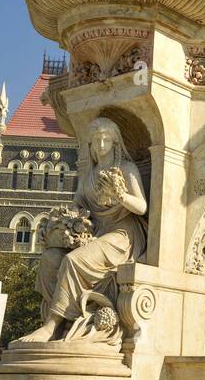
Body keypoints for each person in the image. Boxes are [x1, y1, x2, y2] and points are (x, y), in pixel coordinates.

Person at [20, 117, 147, 343]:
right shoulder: (89, 173)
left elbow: (142, 206)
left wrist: (120, 196)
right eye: (96, 139)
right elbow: (77, 206)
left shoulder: (126, 169)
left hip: (121, 235)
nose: (100, 144)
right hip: (95, 233)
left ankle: (52, 326)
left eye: (106, 139)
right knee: (50, 258)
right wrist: (62, 223)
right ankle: (67, 323)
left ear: (115, 142)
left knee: (73, 261)